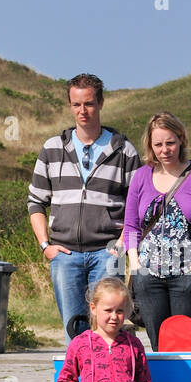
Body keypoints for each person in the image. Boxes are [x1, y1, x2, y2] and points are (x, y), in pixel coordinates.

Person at [28, 74, 141, 341]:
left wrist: (122, 245)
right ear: (70, 105)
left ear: (101, 103)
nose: (83, 111)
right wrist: (46, 246)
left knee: (108, 329)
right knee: (73, 332)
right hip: (64, 256)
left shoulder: (124, 150)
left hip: (106, 253)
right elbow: (36, 202)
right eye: (76, 104)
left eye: (89, 104)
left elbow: (137, 208)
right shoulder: (52, 148)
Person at [122, 111, 191, 351]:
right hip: (148, 277)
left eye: (170, 142)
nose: (164, 150)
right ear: (150, 146)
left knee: (187, 346)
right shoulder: (141, 176)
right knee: (159, 347)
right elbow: (130, 225)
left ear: (181, 139)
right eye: (158, 144)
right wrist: (135, 263)